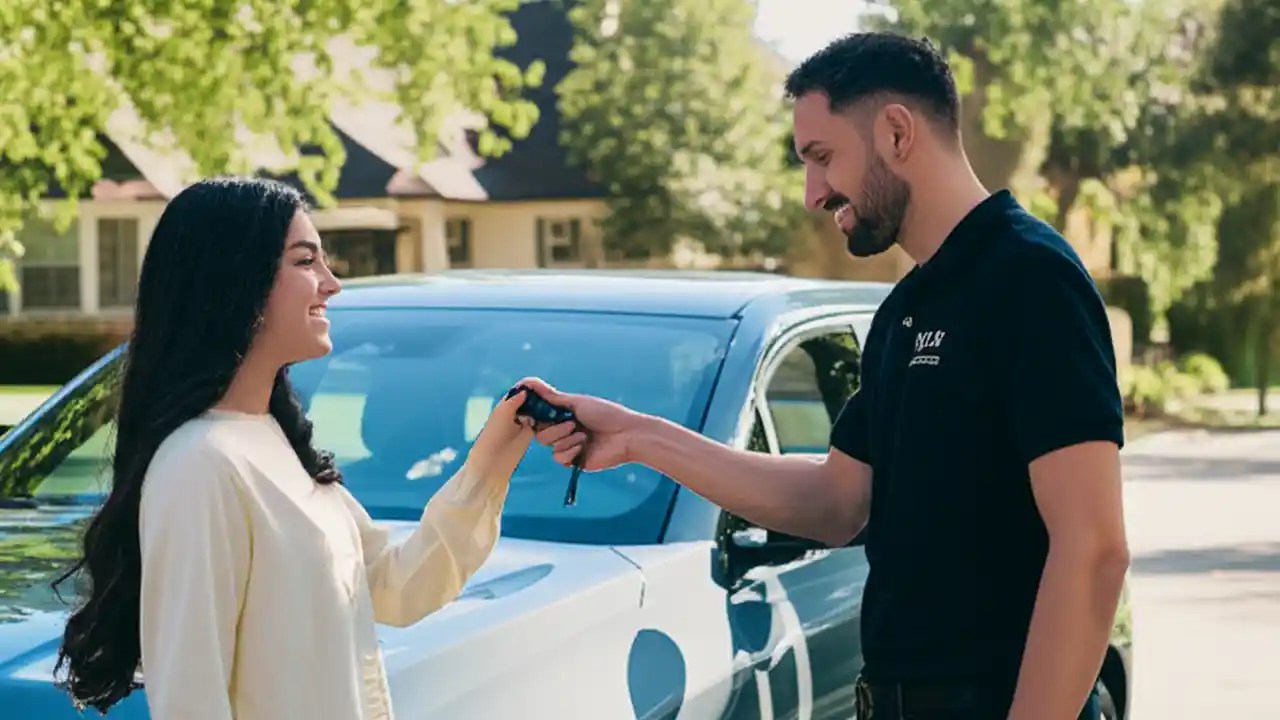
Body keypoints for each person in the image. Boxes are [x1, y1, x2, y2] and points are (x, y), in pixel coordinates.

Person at [524, 32, 1128, 720]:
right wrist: (637, 438)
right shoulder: (908, 306)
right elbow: (836, 502)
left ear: (896, 131)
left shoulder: (1031, 278)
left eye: (822, 157)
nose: (813, 192)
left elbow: (1094, 547)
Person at [52, 177, 535, 719]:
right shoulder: (200, 464)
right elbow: (191, 699)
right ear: (237, 282)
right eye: (306, 262)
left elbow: (398, 586)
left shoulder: (273, 443)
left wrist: (494, 457)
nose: (332, 284)